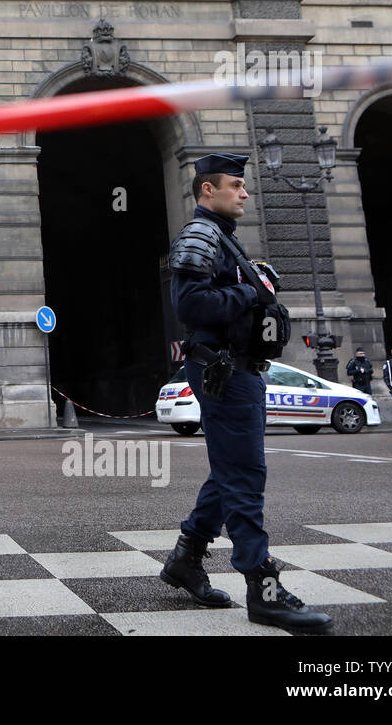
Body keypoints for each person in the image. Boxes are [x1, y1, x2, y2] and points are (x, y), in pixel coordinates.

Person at [161, 153, 331, 632]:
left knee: (231, 470)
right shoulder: (200, 235)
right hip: (225, 372)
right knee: (245, 477)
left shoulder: (223, 238)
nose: (245, 192)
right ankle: (264, 590)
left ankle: (186, 559)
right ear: (207, 191)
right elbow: (190, 304)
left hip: (239, 370)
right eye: (236, 185)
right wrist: (255, 293)